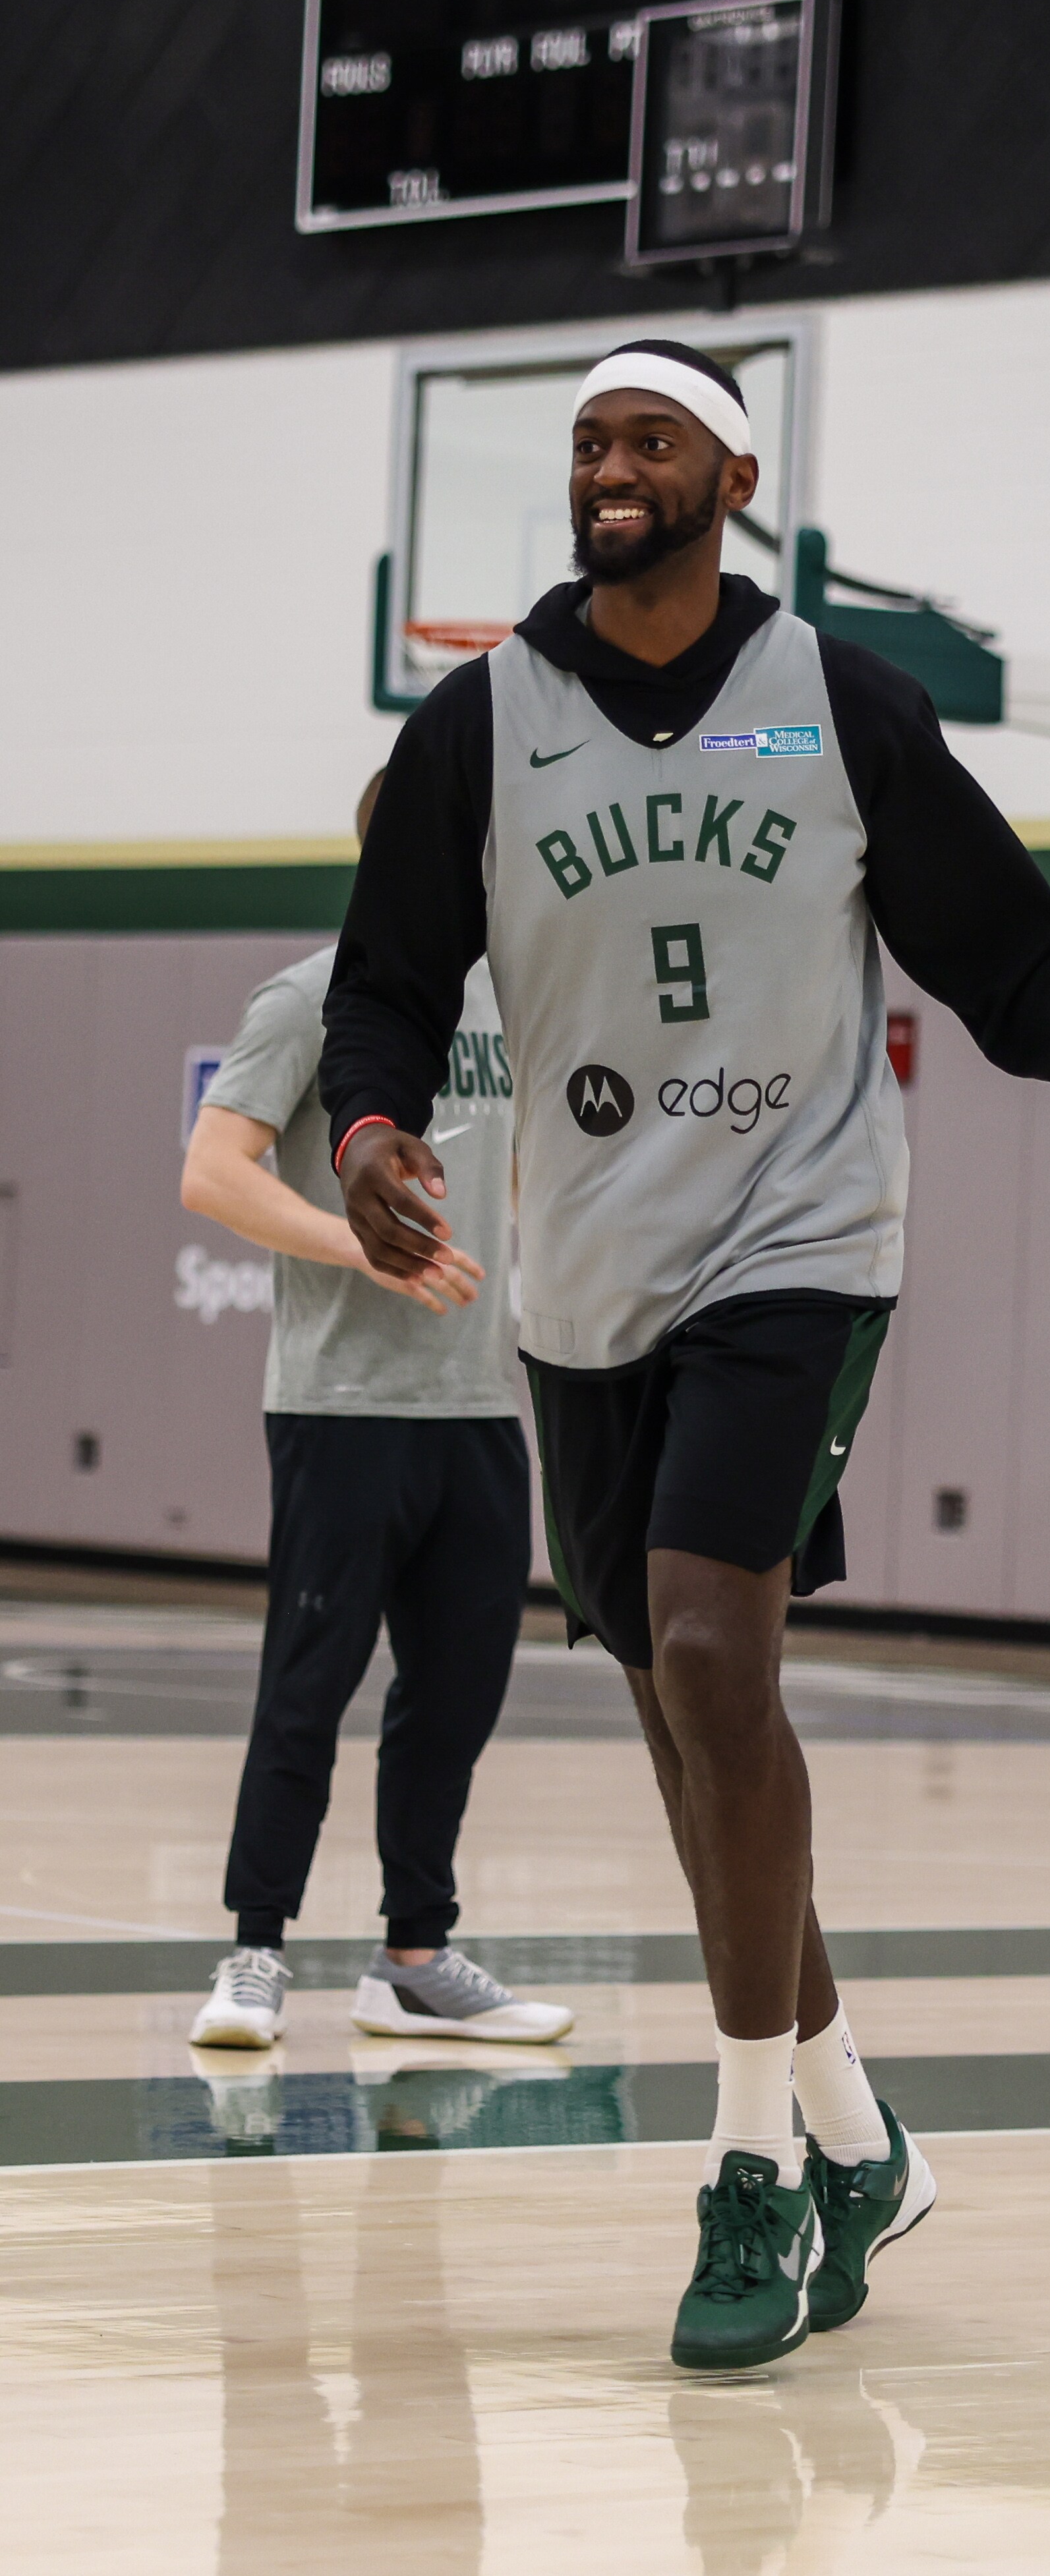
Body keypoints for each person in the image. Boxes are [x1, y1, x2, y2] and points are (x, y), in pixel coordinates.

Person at [320, 338, 1050, 2370]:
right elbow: (389, 984)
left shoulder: (841, 703)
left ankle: (751, 2170)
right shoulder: (477, 725)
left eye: (645, 435)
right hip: (584, 1277)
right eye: (586, 440)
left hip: (800, 1240)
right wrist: (373, 1131)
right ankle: (860, 2135)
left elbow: (1004, 954)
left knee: (708, 1660)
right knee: (694, 1741)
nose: (608, 465)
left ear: (731, 471)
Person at [182, 768, 570, 2056]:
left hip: (475, 1403)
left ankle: (413, 1956)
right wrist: (356, 1245)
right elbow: (210, 1171)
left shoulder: (510, 1006)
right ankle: (255, 1950)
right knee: (310, 1685)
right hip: (342, 1402)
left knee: (457, 1691)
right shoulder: (310, 998)